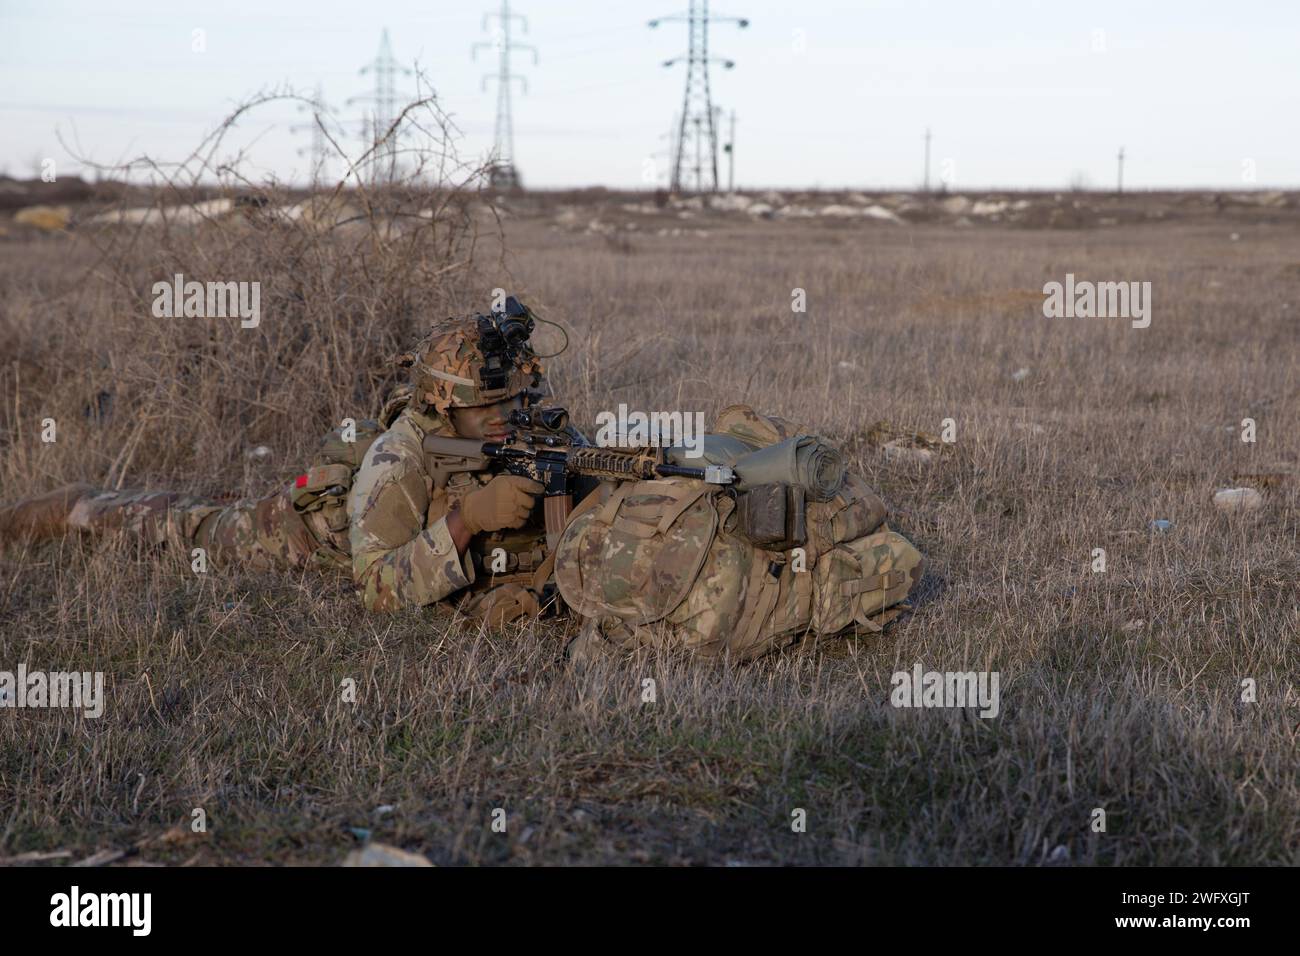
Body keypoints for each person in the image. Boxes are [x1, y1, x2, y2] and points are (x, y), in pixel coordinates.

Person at [0, 304, 569, 626]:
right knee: (193, 527)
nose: (508, 414)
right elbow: (374, 588)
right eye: (488, 403)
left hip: (378, 510)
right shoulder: (400, 457)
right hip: (311, 532)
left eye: (519, 399)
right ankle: (77, 509)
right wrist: (467, 520)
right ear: (443, 405)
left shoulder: (527, 425)